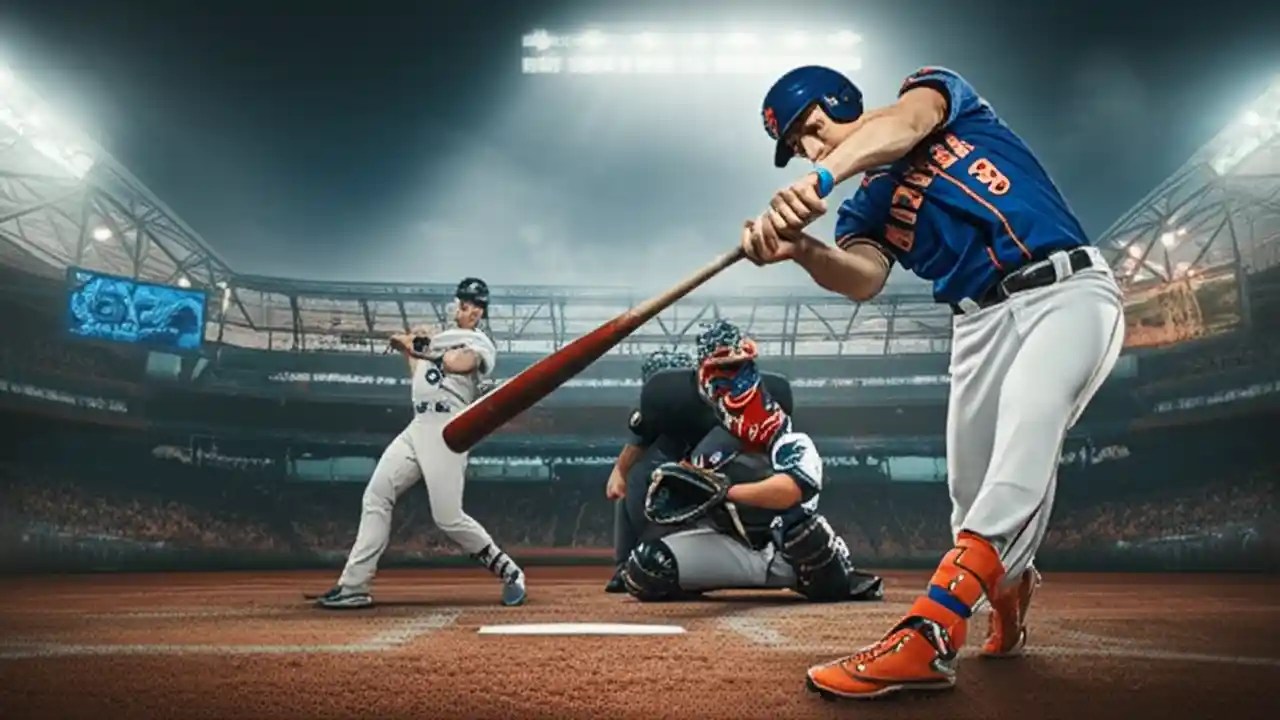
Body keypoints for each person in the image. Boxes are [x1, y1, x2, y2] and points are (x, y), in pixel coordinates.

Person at [745, 66, 1125, 699]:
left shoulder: (936, 94)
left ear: (840, 101)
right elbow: (864, 278)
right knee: (968, 497)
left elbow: (906, 126)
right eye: (799, 147)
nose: (813, 149)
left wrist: (818, 179)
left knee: (1026, 439)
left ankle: (931, 634)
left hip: (1065, 289)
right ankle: (1012, 584)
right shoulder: (864, 204)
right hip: (977, 323)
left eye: (812, 128)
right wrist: (802, 250)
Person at [620, 319, 883, 603]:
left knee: (805, 532)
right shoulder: (708, 451)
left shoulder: (791, 442)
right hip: (729, 548)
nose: (732, 380)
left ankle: (834, 582)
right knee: (647, 567)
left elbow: (788, 492)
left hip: (787, 553)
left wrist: (724, 491)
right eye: (723, 369)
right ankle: (703, 582)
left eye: (738, 368)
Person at [312, 277, 527, 608]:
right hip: (417, 425)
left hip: (447, 428)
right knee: (377, 495)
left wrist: (416, 343)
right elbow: (419, 375)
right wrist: (410, 349)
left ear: (480, 314)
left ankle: (510, 572)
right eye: (462, 303)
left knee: (448, 518)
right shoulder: (439, 338)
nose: (464, 309)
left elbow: (459, 363)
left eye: (471, 306)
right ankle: (353, 585)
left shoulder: (480, 342)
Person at [603, 348, 698, 593]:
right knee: (633, 480)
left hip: (708, 475)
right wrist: (619, 472)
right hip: (672, 474)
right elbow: (638, 442)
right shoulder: (652, 410)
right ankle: (626, 565)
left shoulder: (709, 401)